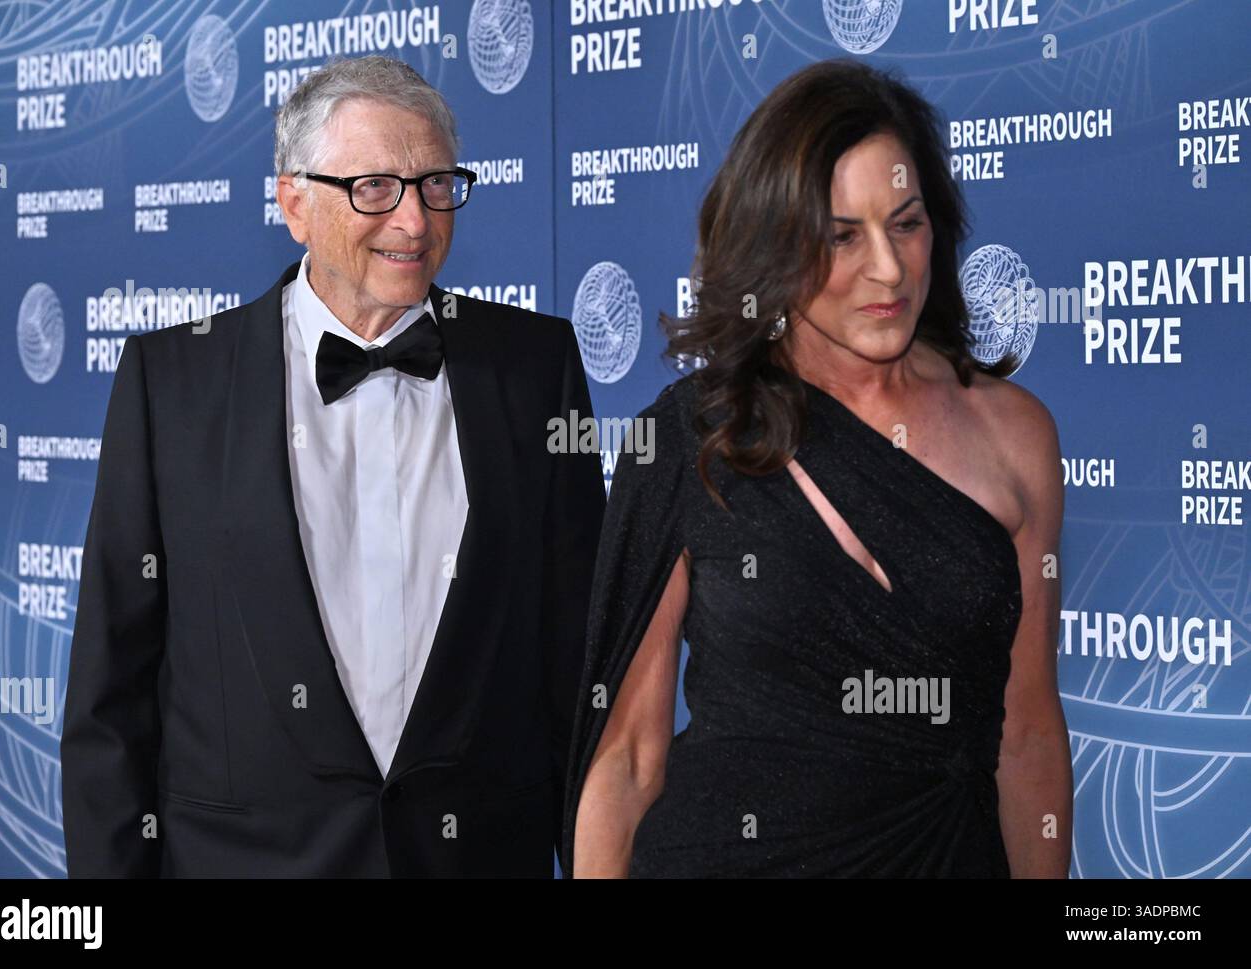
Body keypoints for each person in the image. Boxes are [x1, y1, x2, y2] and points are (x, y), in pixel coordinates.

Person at [62, 55, 606, 877]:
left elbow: (577, 666)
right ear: (294, 202)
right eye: (375, 189)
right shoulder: (171, 384)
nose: (415, 222)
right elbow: (112, 697)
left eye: (433, 185)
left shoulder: (536, 369)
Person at [562, 59, 1072, 878]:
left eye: (905, 224)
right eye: (842, 236)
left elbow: (1029, 728)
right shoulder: (693, 436)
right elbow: (626, 757)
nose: (889, 269)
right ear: (775, 244)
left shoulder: (1016, 435)